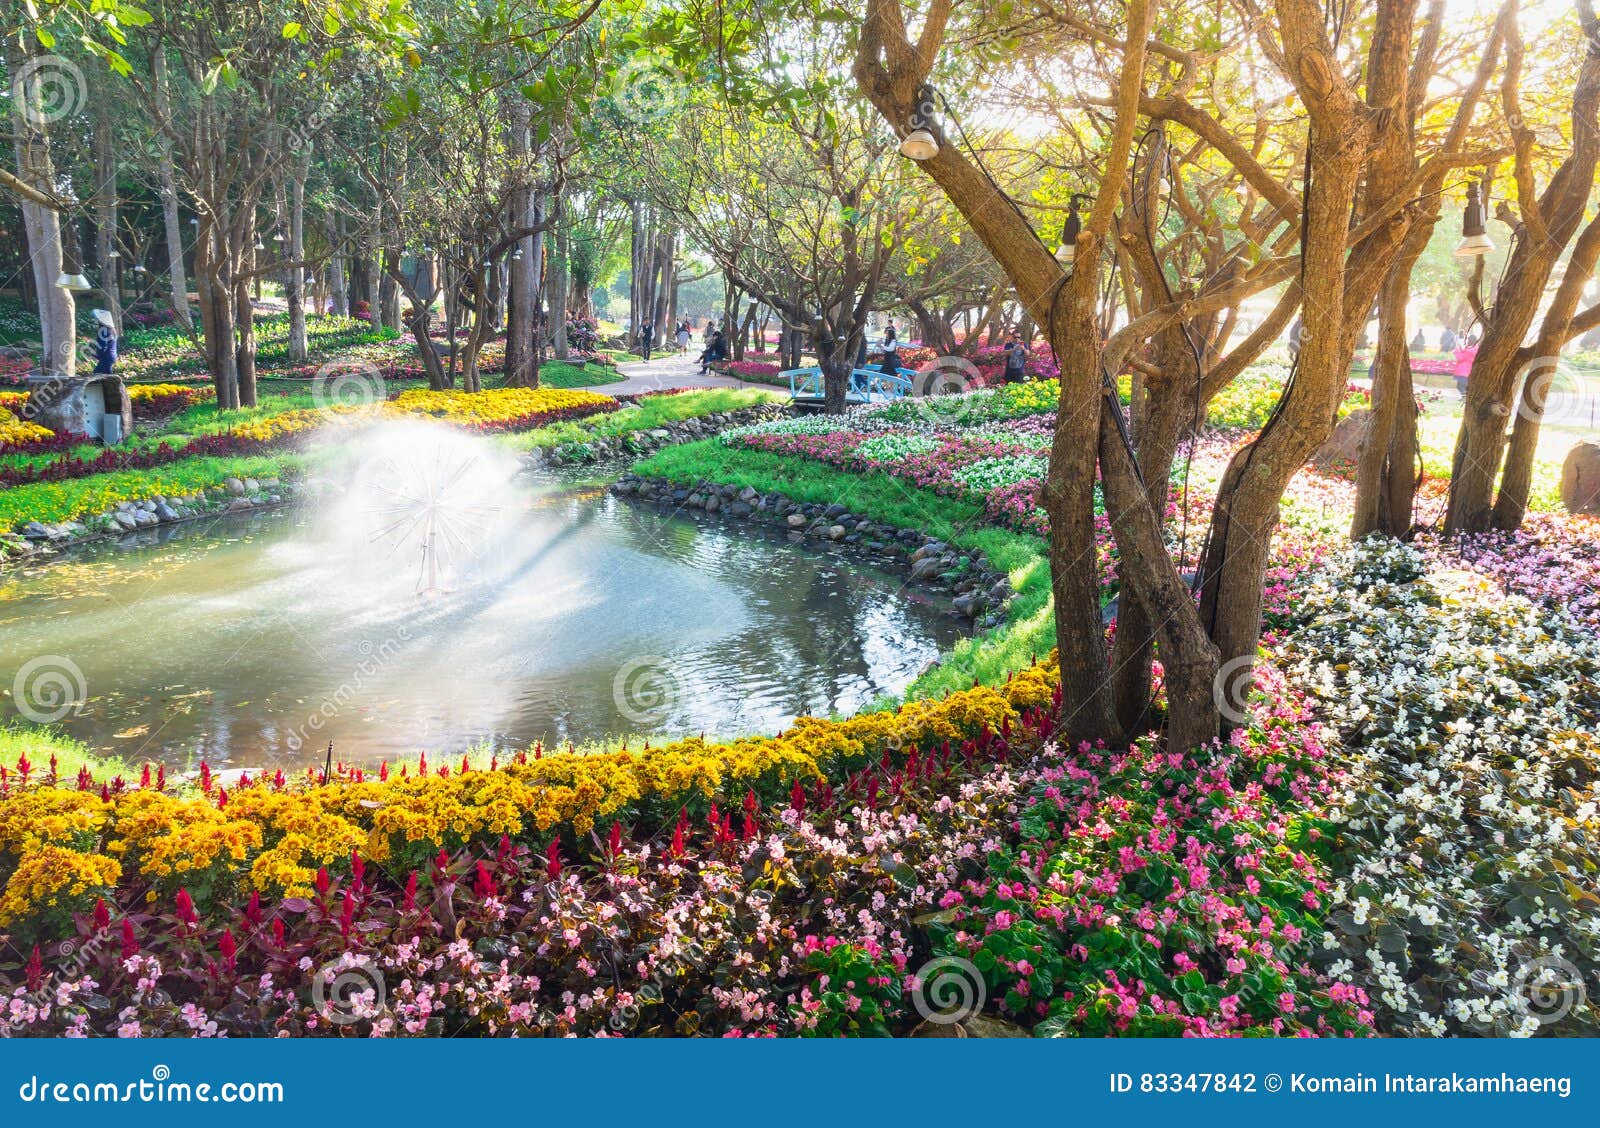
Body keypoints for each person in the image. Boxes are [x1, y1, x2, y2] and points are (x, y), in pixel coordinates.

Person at [90, 309, 118, 374]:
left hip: (106, 357)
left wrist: (96, 355)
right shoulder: (112, 330)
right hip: (112, 356)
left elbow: (103, 346)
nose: (96, 320)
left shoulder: (103, 330)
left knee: (96, 374)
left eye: (97, 319)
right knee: (109, 376)